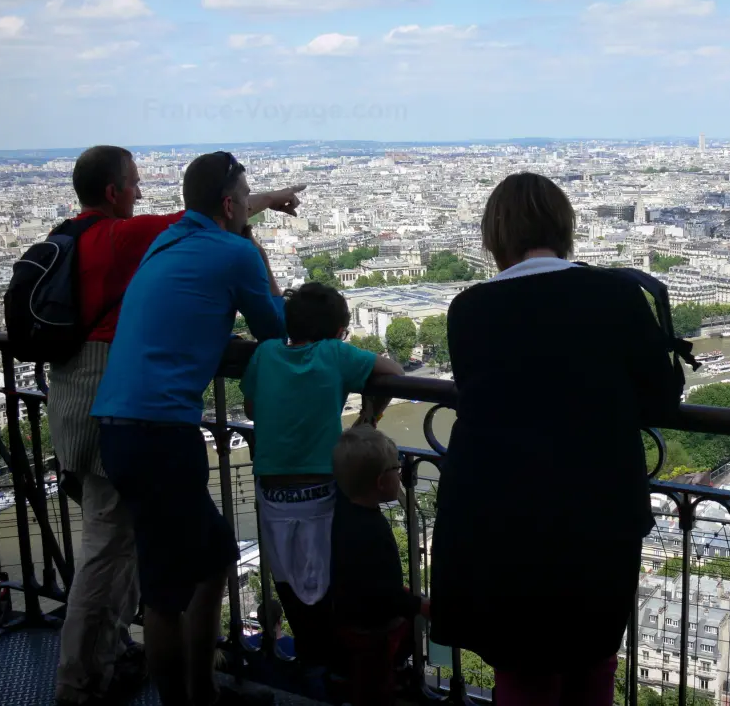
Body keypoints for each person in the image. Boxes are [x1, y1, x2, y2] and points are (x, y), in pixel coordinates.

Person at [50, 145, 303, 706]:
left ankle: (200, 683)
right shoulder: (230, 251)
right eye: (243, 199)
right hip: (159, 431)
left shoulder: (165, 240)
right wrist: (256, 254)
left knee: (213, 555)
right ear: (230, 204)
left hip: (120, 426)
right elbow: (276, 329)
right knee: (165, 593)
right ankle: (182, 699)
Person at [429, 172, 674, 706]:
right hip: (597, 510)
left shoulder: (468, 310)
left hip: (500, 515)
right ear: (565, 227)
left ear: (495, 237)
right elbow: (662, 397)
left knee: (522, 667)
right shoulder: (616, 294)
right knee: (593, 656)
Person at [240, 282, 403, 666]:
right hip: (322, 489)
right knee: (332, 587)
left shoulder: (264, 354)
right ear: (338, 330)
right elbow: (392, 372)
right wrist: (369, 420)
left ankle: (308, 665)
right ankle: (338, 671)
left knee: (288, 582)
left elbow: (250, 409)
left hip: (271, 490)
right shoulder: (333, 353)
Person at [329, 426, 428, 704]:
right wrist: (420, 606)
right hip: (373, 628)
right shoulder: (371, 531)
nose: (401, 473)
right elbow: (384, 593)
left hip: (347, 615)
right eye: (397, 468)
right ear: (381, 482)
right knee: (374, 689)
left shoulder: (344, 511)